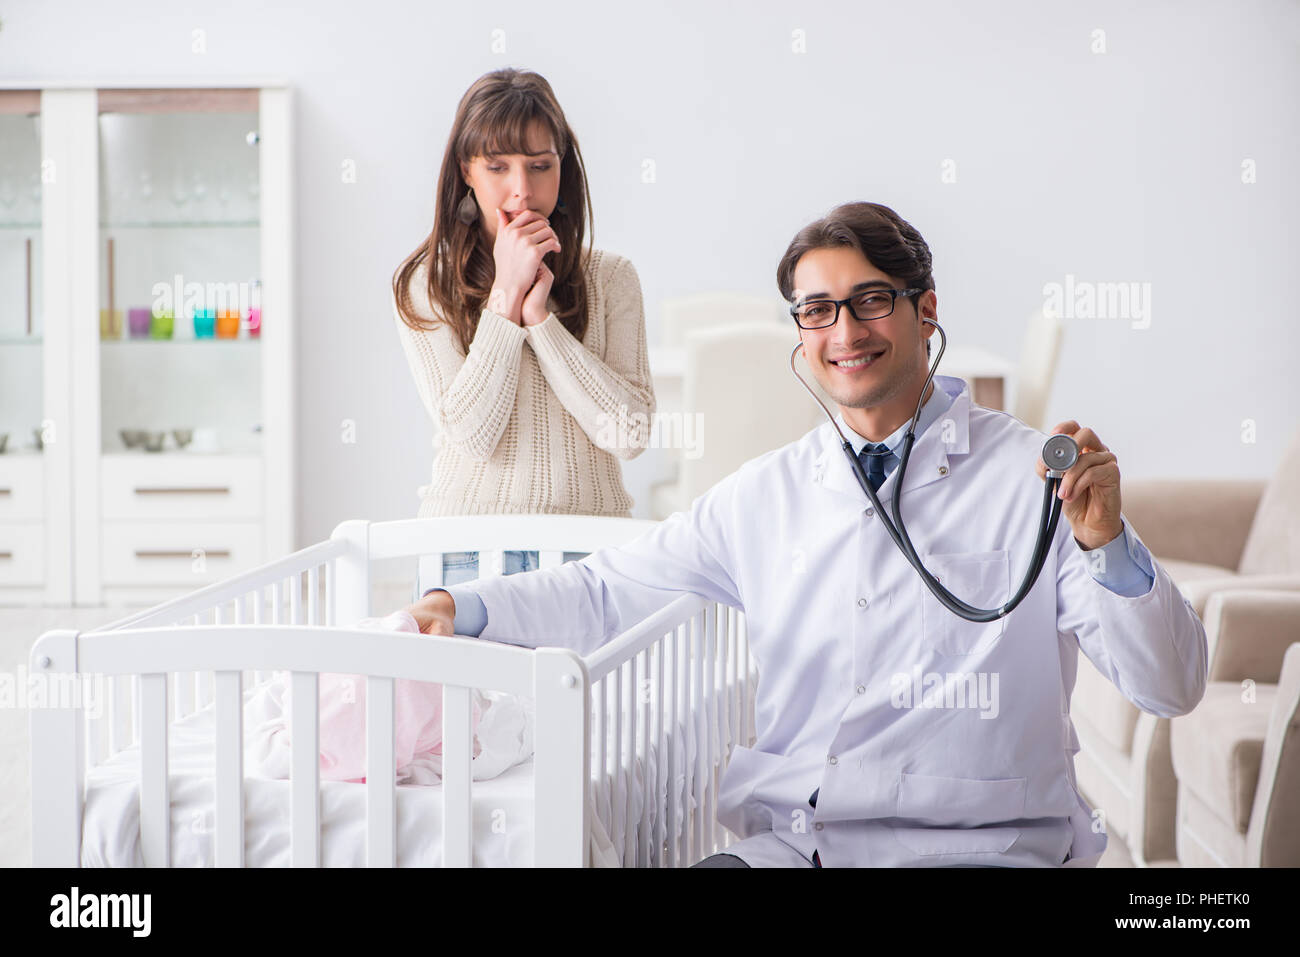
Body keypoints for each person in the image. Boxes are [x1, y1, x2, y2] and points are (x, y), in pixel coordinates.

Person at [403, 202, 1207, 868]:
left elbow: (1171, 686)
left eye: (870, 299)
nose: (844, 331)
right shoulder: (766, 493)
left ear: (926, 309)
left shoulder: (1032, 480)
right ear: (799, 332)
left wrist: (1108, 545)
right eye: (817, 310)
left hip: (982, 846)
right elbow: (604, 588)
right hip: (799, 846)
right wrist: (456, 605)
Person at [392, 68, 655, 590]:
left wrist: (541, 320)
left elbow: (629, 434)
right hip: (467, 554)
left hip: (591, 553)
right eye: (497, 167)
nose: (522, 190)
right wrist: (506, 297)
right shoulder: (426, 284)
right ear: (466, 170)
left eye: (540, 165)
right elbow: (471, 435)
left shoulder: (612, 278)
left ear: (563, 169)